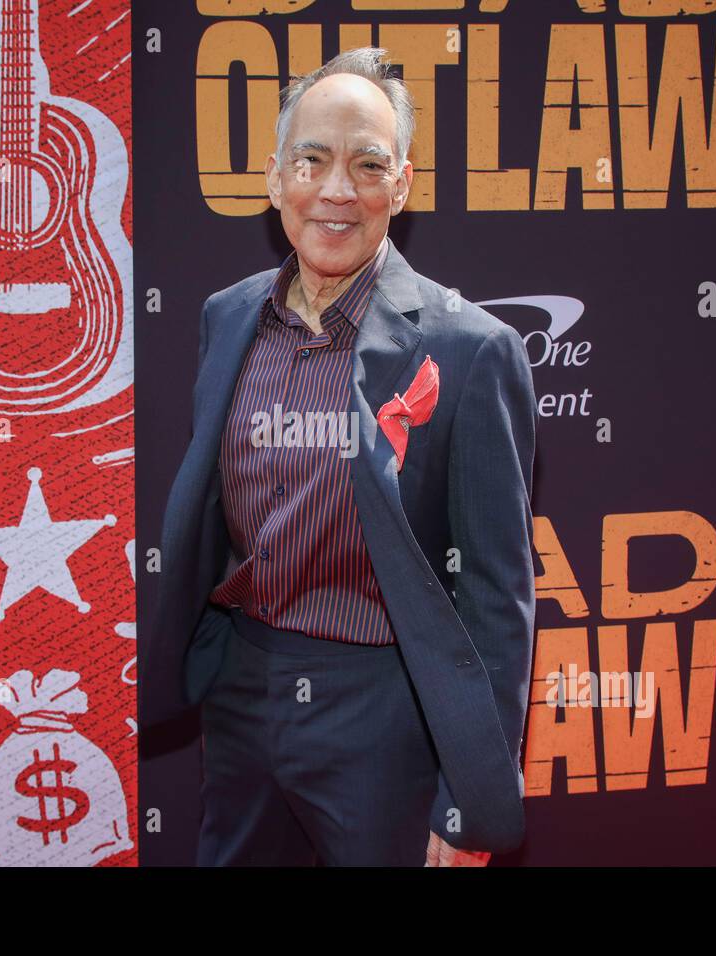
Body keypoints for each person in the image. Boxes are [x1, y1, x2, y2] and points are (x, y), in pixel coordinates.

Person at [142, 46, 539, 866]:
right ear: (273, 176)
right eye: (312, 160)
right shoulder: (228, 317)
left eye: (367, 165)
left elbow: (498, 596)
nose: (336, 191)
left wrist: (472, 797)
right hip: (243, 689)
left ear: (402, 184)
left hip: (387, 712)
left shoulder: (470, 350)